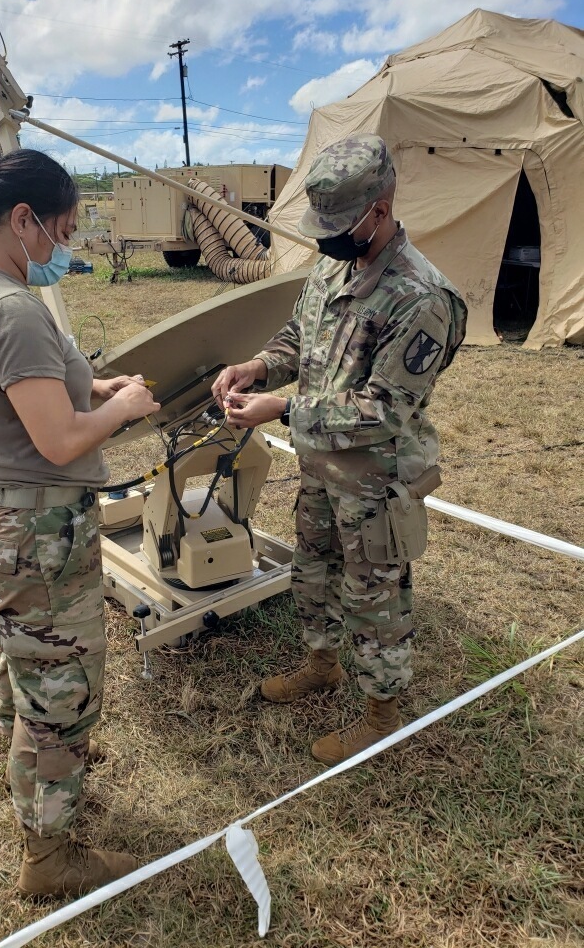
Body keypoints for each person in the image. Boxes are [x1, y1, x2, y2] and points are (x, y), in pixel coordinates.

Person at [0, 143, 159, 899]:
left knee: (30, 672)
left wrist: (99, 383)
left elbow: (47, 388)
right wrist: (121, 410)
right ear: (23, 219)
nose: (67, 245)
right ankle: (49, 857)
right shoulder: (12, 308)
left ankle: (32, 770)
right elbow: (58, 439)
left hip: (8, 520)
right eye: (62, 229)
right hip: (37, 533)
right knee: (63, 689)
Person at [212, 134, 467, 767]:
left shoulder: (424, 300)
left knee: (374, 596)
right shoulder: (334, 265)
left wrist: (283, 409)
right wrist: (259, 368)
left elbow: (382, 410)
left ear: (380, 210)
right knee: (315, 571)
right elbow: (302, 338)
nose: (325, 239)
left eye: (338, 225)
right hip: (321, 465)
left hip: (375, 481)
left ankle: (382, 714)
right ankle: (321, 665)